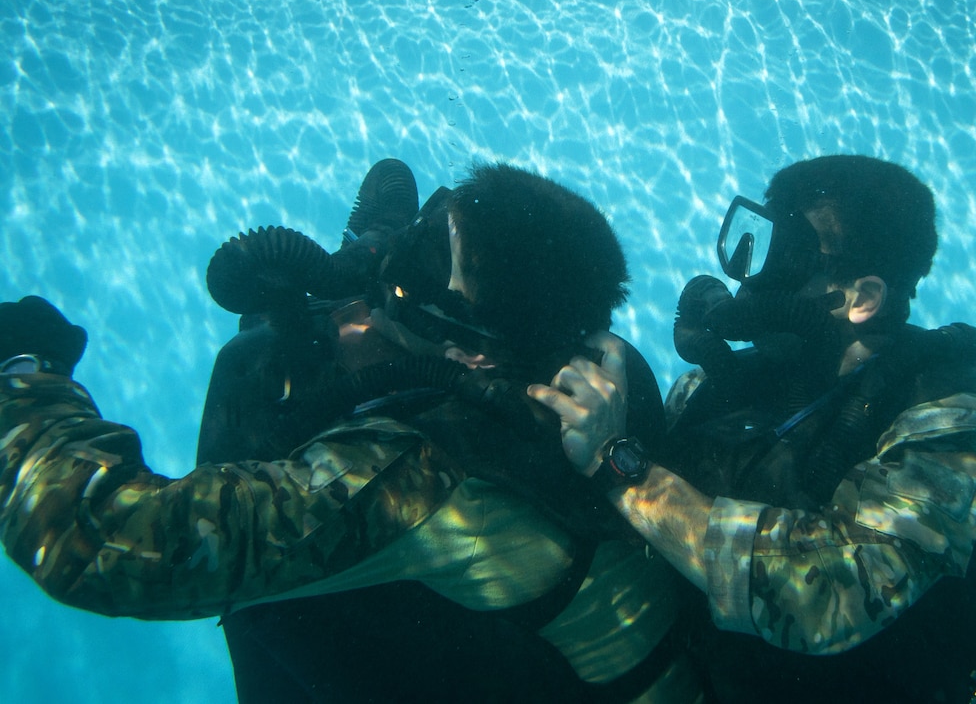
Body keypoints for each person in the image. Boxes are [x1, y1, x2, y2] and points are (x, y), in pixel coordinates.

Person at [0, 161, 703, 702]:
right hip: (529, 650)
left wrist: (25, 374)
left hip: (530, 673)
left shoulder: (409, 474)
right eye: (433, 219)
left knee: (263, 592)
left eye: (430, 257)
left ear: (472, 355)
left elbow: (95, 539)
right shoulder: (595, 366)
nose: (398, 256)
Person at [529, 155, 976, 703]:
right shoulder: (712, 389)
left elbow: (828, 598)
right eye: (758, 242)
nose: (752, 274)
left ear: (864, 298)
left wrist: (622, 466)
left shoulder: (958, 428)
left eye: (788, 258)